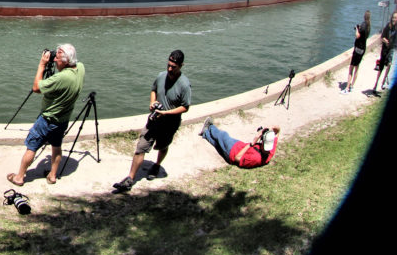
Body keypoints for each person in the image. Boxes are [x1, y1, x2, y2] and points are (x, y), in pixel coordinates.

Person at [6, 44, 85, 187]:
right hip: (63, 120)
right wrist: (59, 57)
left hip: (47, 119)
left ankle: (19, 177)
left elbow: (36, 87)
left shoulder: (61, 78)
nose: (55, 60)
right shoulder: (80, 68)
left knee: (32, 147)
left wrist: (42, 65)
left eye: (58, 58)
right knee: (56, 146)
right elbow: (73, 64)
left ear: (67, 61)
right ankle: (52, 175)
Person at [113, 49, 191, 192]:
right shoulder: (161, 76)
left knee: (162, 146)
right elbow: (153, 89)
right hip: (154, 120)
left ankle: (156, 165)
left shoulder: (184, 85)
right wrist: (152, 102)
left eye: (173, 67)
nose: (169, 69)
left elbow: (185, 107)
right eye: (168, 65)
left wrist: (166, 113)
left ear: (181, 66)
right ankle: (130, 178)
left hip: (170, 124)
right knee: (141, 147)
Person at [200, 119, 280, 169]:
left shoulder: (256, 158)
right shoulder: (271, 149)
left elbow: (237, 158)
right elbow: (278, 131)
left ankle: (210, 126)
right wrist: (269, 129)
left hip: (232, 152)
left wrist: (252, 143)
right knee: (217, 144)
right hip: (239, 147)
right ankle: (205, 133)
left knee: (223, 135)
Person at [342, 10, 371, 94]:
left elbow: (357, 36)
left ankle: (347, 88)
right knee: (357, 67)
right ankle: (352, 86)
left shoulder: (363, 24)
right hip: (363, 49)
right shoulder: (369, 26)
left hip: (358, 48)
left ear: (364, 16)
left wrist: (357, 29)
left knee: (351, 68)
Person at [371, 11, 396, 93]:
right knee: (381, 68)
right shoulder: (388, 27)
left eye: (396, 18)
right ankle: (376, 84)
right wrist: (385, 40)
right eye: (393, 17)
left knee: (389, 64)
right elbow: (382, 36)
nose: (394, 19)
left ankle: (384, 82)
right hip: (385, 49)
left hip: (392, 49)